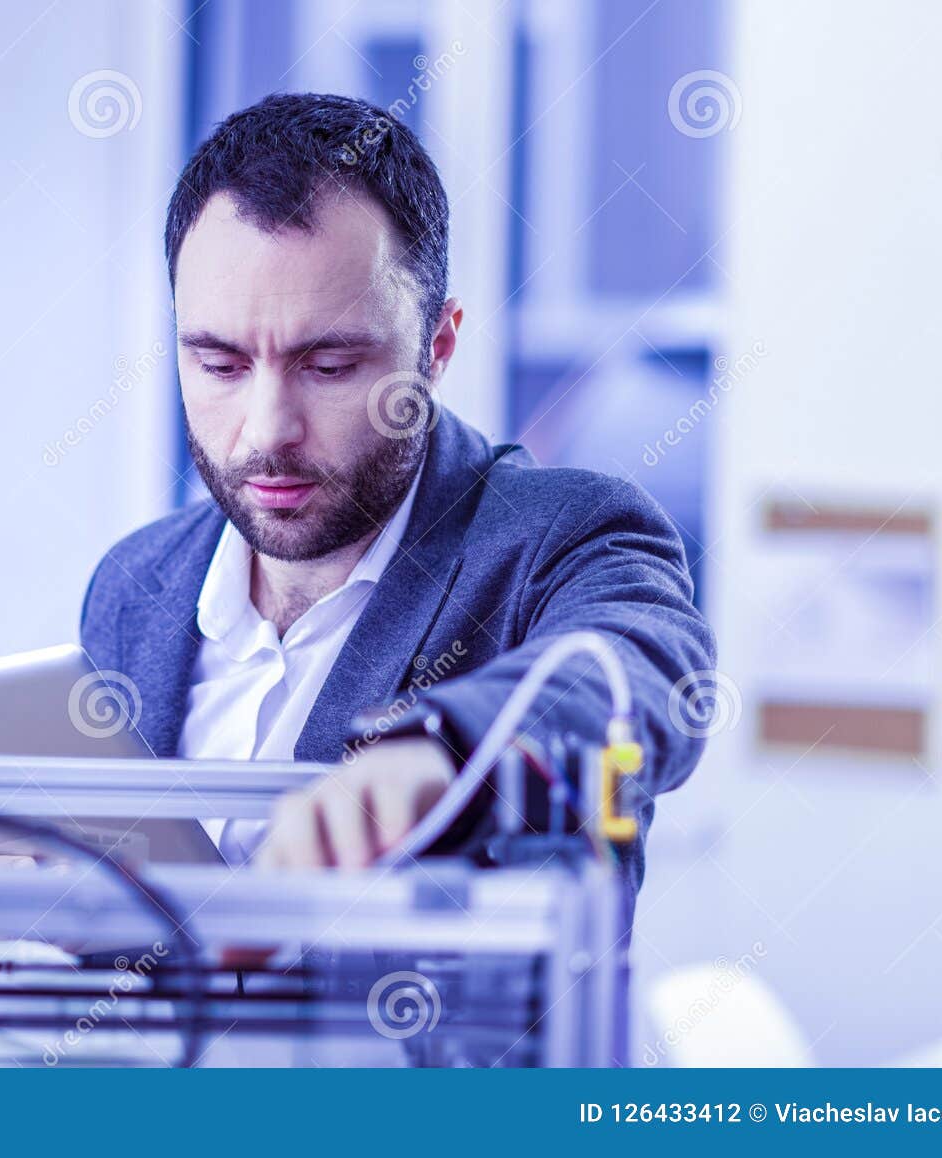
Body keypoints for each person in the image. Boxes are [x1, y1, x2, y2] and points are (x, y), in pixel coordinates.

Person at [80, 92, 714, 886]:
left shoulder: (570, 541)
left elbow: (638, 673)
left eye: (331, 367)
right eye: (220, 365)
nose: (267, 428)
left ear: (436, 346)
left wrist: (444, 749)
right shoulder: (132, 586)